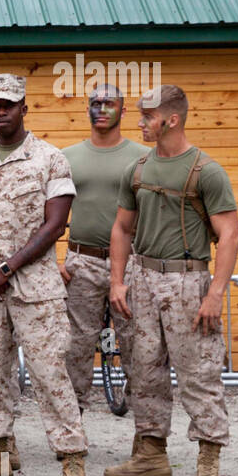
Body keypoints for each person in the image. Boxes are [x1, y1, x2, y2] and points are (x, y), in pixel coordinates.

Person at [0, 74, 89, 476]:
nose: (1, 111)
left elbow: (55, 224)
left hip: (36, 286)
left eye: (9, 104)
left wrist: (7, 267)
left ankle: (71, 462)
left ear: (24, 107)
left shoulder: (50, 158)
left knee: (50, 372)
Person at [108, 85, 238, 476]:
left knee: (199, 371)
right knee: (143, 369)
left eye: (147, 117)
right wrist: (117, 281)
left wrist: (215, 292)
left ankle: (208, 459)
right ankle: (150, 454)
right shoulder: (139, 168)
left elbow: (230, 235)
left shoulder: (206, 171)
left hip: (188, 280)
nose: (141, 123)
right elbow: (122, 228)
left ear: (172, 120)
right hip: (142, 277)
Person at [61, 84, 149, 414]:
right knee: (76, 344)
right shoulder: (67, 157)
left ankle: (143, 420)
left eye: (109, 103)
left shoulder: (142, 156)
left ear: (123, 111)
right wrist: (54, 260)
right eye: (95, 103)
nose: (101, 109)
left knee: (138, 339)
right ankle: (72, 418)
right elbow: (47, 214)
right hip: (82, 261)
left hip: (131, 262)